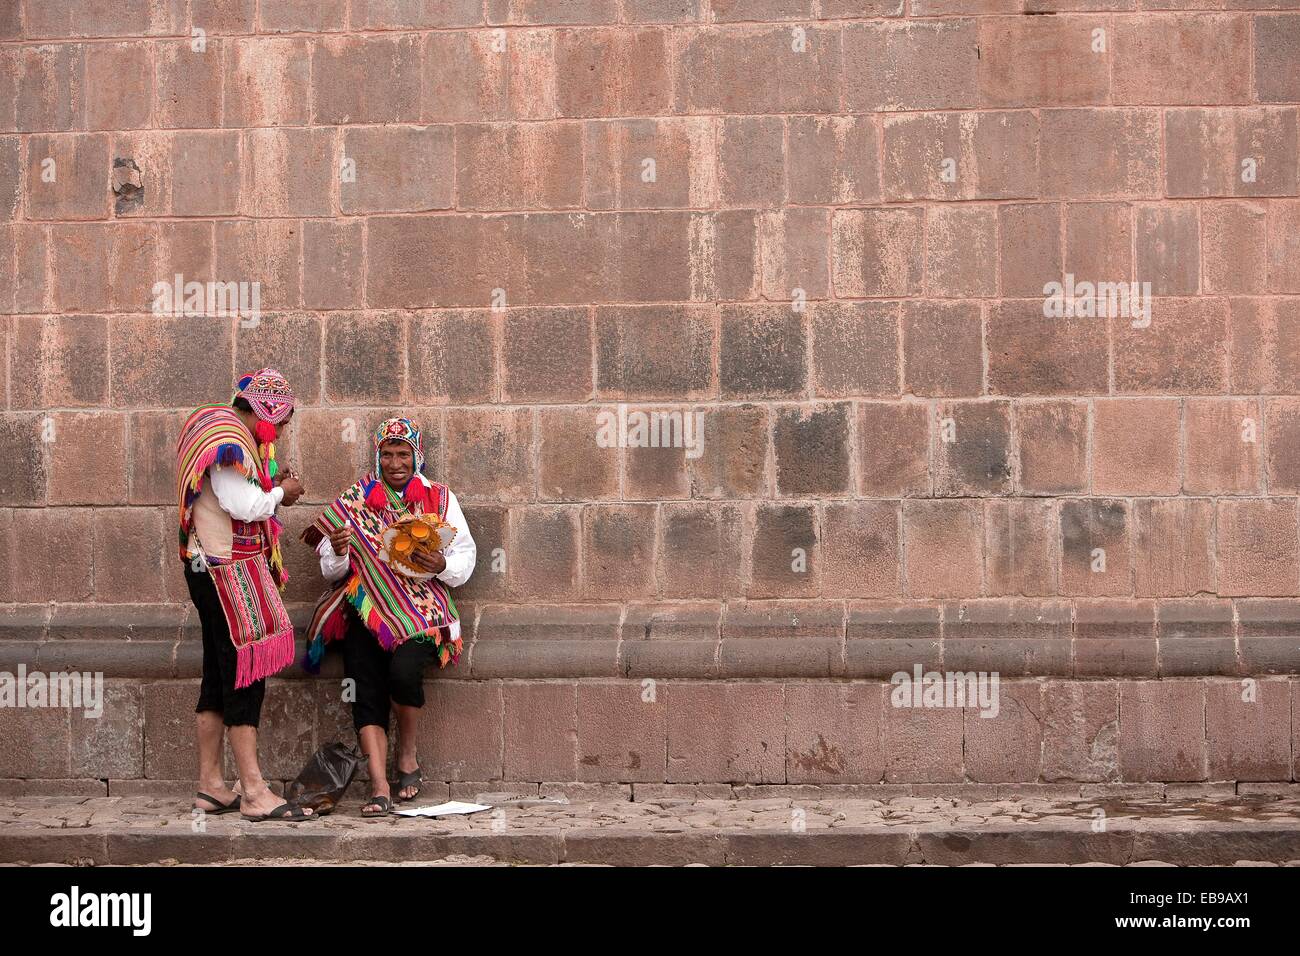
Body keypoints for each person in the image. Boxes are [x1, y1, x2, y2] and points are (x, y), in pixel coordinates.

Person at [301, 417, 475, 817]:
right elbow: (331, 571)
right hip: (367, 607)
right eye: (387, 454)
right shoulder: (354, 500)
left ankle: (407, 757)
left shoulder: (440, 499)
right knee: (366, 689)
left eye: (403, 454)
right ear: (377, 457)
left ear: (417, 457)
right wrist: (341, 550)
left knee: (403, 673)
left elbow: (466, 557)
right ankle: (379, 786)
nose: (395, 463)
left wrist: (441, 562)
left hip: (423, 610)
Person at [177, 368, 314, 822]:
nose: (281, 433)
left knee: (217, 675)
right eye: (283, 423)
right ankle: (254, 792)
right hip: (226, 571)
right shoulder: (229, 440)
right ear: (267, 415)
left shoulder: (215, 426)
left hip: (208, 568)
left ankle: (212, 786)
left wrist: (272, 489)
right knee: (243, 673)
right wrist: (280, 493)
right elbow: (243, 505)